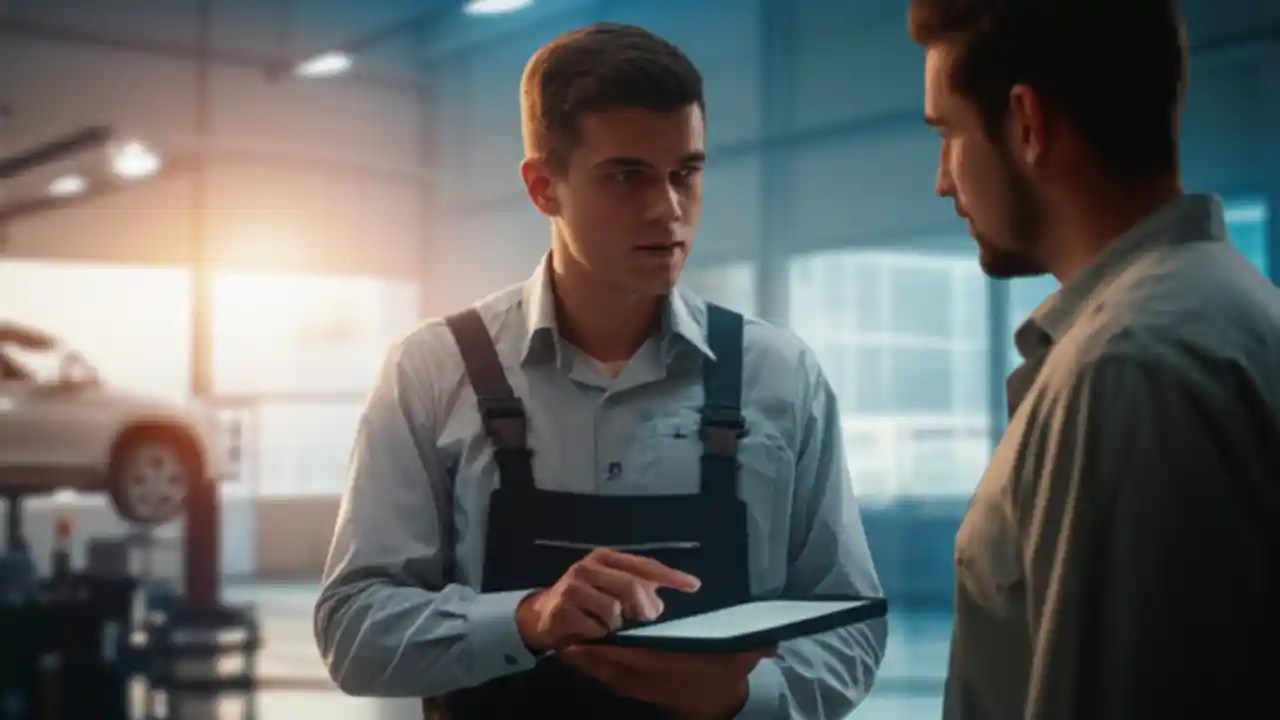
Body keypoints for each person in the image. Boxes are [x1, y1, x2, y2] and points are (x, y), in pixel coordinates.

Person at [314, 22, 887, 719]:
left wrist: (744, 697)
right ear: (542, 187)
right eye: (626, 176)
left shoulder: (781, 376)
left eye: (686, 173)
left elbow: (849, 621)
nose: (667, 210)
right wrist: (527, 619)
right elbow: (353, 630)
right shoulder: (432, 372)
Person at [908, 0, 1280, 718]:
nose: (943, 181)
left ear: (1026, 124)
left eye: (949, 134)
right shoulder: (1234, 308)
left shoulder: (1124, 369)